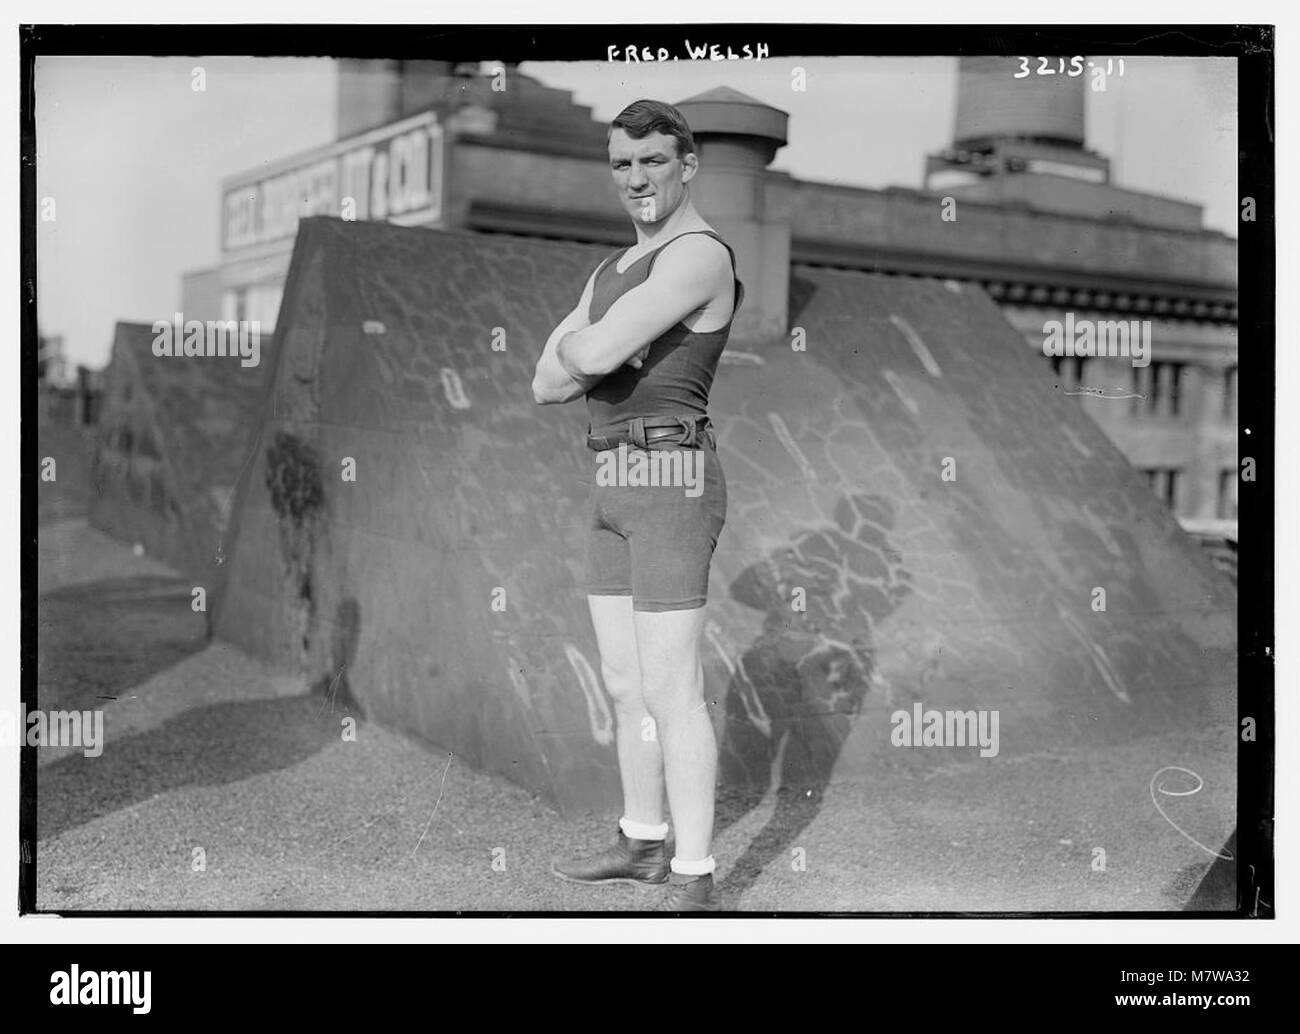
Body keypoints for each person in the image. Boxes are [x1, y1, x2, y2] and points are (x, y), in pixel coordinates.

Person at [531, 98, 744, 912]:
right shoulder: (610, 269)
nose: (636, 178)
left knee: (672, 689)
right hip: (611, 477)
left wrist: (594, 346)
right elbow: (546, 382)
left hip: (672, 479)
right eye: (622, 163)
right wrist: (592, 347)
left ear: (687, 165)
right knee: (624, 685)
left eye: (653, 161)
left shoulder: (699, 256)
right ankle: (643, 840)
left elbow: (587, 350)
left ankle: (694, 876)